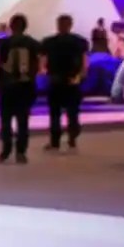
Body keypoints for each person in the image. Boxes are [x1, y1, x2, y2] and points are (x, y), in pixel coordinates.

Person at [0, 13, 42, 164]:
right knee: (23, 121)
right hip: (25, 86)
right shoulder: (33, 43)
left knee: (6, 121)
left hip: (7, 87)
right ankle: (21, 151)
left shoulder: (2, 43)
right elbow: (39, 65)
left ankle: (6, 150)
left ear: (11, 26)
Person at [40, 14, 88, 152]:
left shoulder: (48, 42)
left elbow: (43, 61)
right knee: (73, 112)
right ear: (70, 25)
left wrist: (45, 73)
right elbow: (84, 61)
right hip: (73, 81)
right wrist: (81, 75)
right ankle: (72, 138)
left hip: (55, 80)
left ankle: (55, 142)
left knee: (55, 113)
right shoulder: (80, 41)